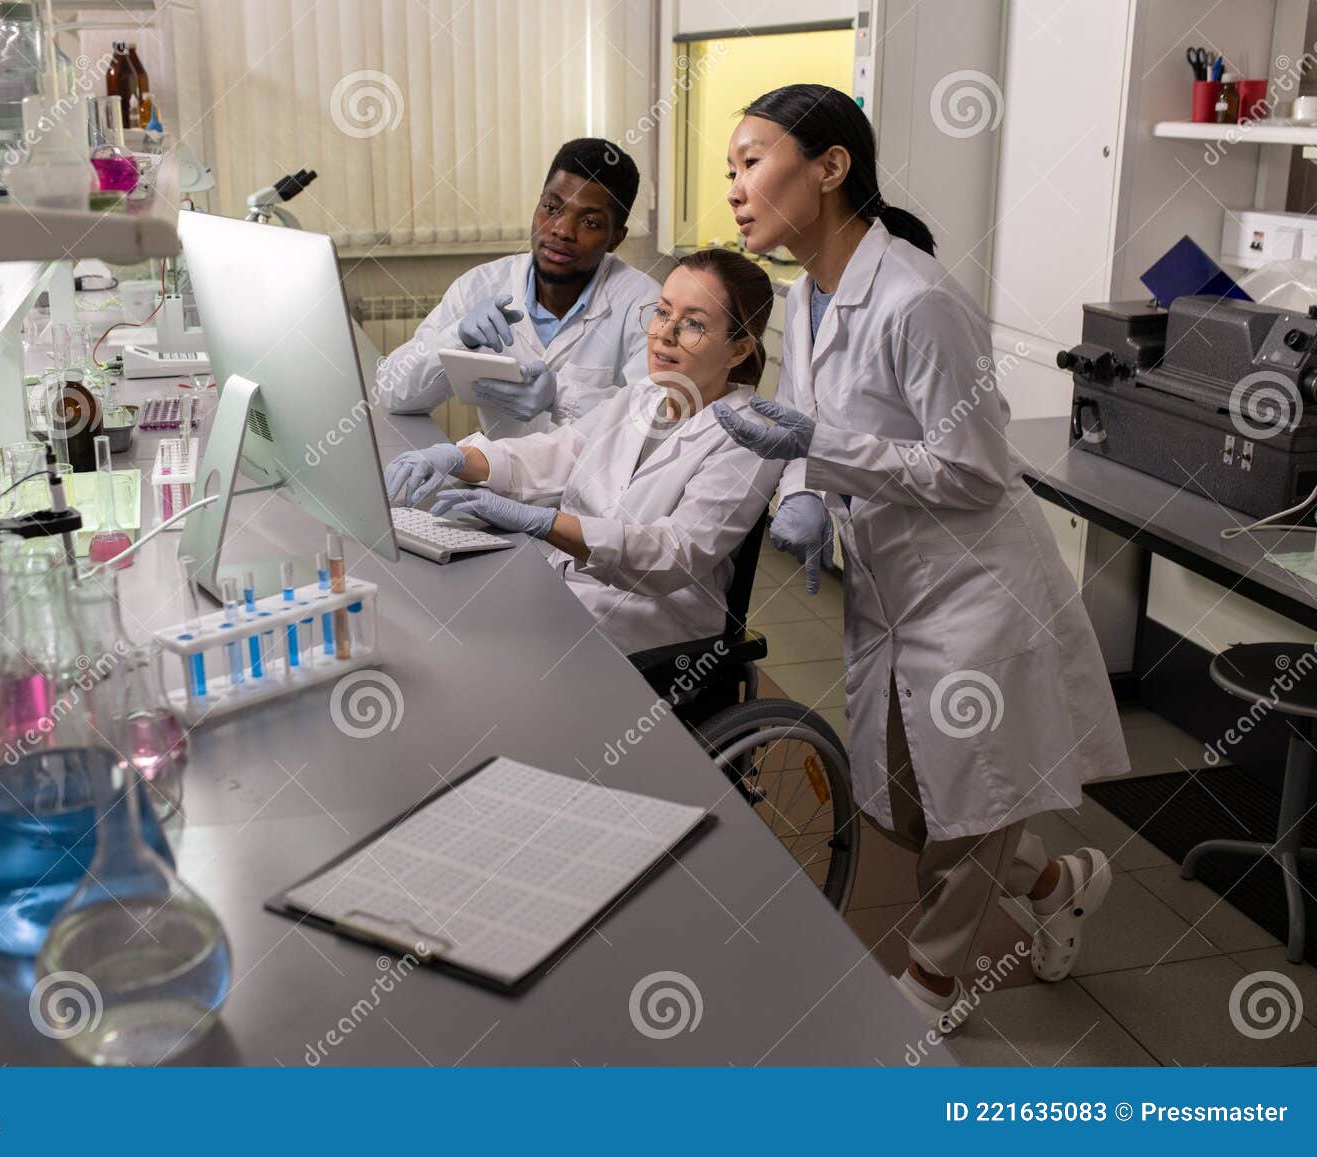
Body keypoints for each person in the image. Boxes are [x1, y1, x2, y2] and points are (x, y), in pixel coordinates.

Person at [711, 84, 1127, 1032]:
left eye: (751, 160)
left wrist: (819, 454)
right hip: (893, 583)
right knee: (908, 801)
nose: (735, 187)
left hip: (974, 589)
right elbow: (815, 428)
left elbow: (974, 469)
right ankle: (1065, 881)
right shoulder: (808, 294)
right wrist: (809, 495)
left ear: (829, 167)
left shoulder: (920, 298)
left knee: (969, 803)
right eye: (730, 168)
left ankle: (930, 989)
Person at [383, 249, 783, 655]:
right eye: (662, 312)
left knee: (482, 649)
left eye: (693, 323)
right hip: (571, 590)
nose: (665, 333)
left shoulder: (752, 439)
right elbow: (560, 452)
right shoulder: (643, 395)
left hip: (652, 627)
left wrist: (545, 521)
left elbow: (674, 554)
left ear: (738, 350)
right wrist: (457, 458)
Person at [375, 139, 660, 440]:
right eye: (551, 208)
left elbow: (655, 420)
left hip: (592, 486)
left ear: (616, 238)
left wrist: (560, 398)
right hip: (495, 480)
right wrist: (457, 338)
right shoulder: (479, 286)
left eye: (589, 222)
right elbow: (393, 393)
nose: (562, 230)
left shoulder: (646, 306)